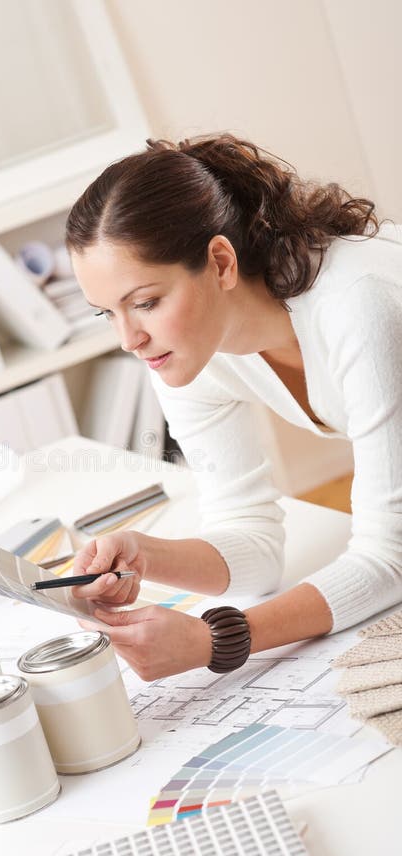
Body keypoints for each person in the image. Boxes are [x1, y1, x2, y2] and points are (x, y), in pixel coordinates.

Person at [64, 133, 402, 681]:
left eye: (145, 302)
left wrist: (214, 638)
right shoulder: (188, 350)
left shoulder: (356, 303)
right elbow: (252, 539)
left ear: (221, 262)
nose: (129, 338)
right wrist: (145, 555)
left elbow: (392, 556)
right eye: (108, 313)